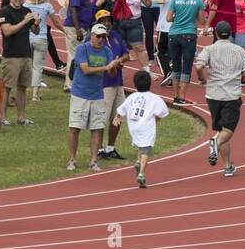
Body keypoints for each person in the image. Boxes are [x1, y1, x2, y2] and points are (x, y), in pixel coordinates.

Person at [194, 21, 245, 178]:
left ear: (216, 34)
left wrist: (202, 78)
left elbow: (199, 66)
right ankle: (215, 144)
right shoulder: (239, 50)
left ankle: (227, 166)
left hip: (213, 95)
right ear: (230, 33)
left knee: (222, 130)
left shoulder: (209, 49)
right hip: (231, 95)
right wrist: (243, 79)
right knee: (228, 130)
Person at [67, 23, 125, 172]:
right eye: (98, 36)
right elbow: (85, 69)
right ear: (91, 35)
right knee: (75, 128)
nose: (100, 39)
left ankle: (93, 161)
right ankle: (72, 159)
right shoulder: (83, 48)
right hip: (80, 94)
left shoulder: (107, 51)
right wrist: (106, 67)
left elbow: (110, 74)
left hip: (97, 94)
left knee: (97, 128)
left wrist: (114, 67)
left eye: (103, 37)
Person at [113, 69, 169, 189]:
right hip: (145, 125)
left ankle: (138, 162)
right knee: (146, 148)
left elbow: (121, 109)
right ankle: (142, 173)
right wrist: (156, 118)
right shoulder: (154, 98)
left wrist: (117, 117)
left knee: (141, 145)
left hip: (133, 125)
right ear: (149, 83)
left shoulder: (132, 96)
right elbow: (163, 113)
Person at [0, 0, 38, 127]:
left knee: (22, 87)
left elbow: (35, 31)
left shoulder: (26, 11)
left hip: (26, 55)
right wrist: (24, 21)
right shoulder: (5, 11)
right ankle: (2, 118)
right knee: (7, 87)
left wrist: (36, 23)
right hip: (11, 56)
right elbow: (7, 31)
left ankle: (21, 118)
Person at [166, 0, 205, 106]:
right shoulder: (198, 1)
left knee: (176, 66)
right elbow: (202, 21)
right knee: (186, 66)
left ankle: (176, 97)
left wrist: (178, 16)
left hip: (173, 34)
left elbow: (168, 18)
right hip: (189, 35)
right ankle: (182, 98)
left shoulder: (175, 0)